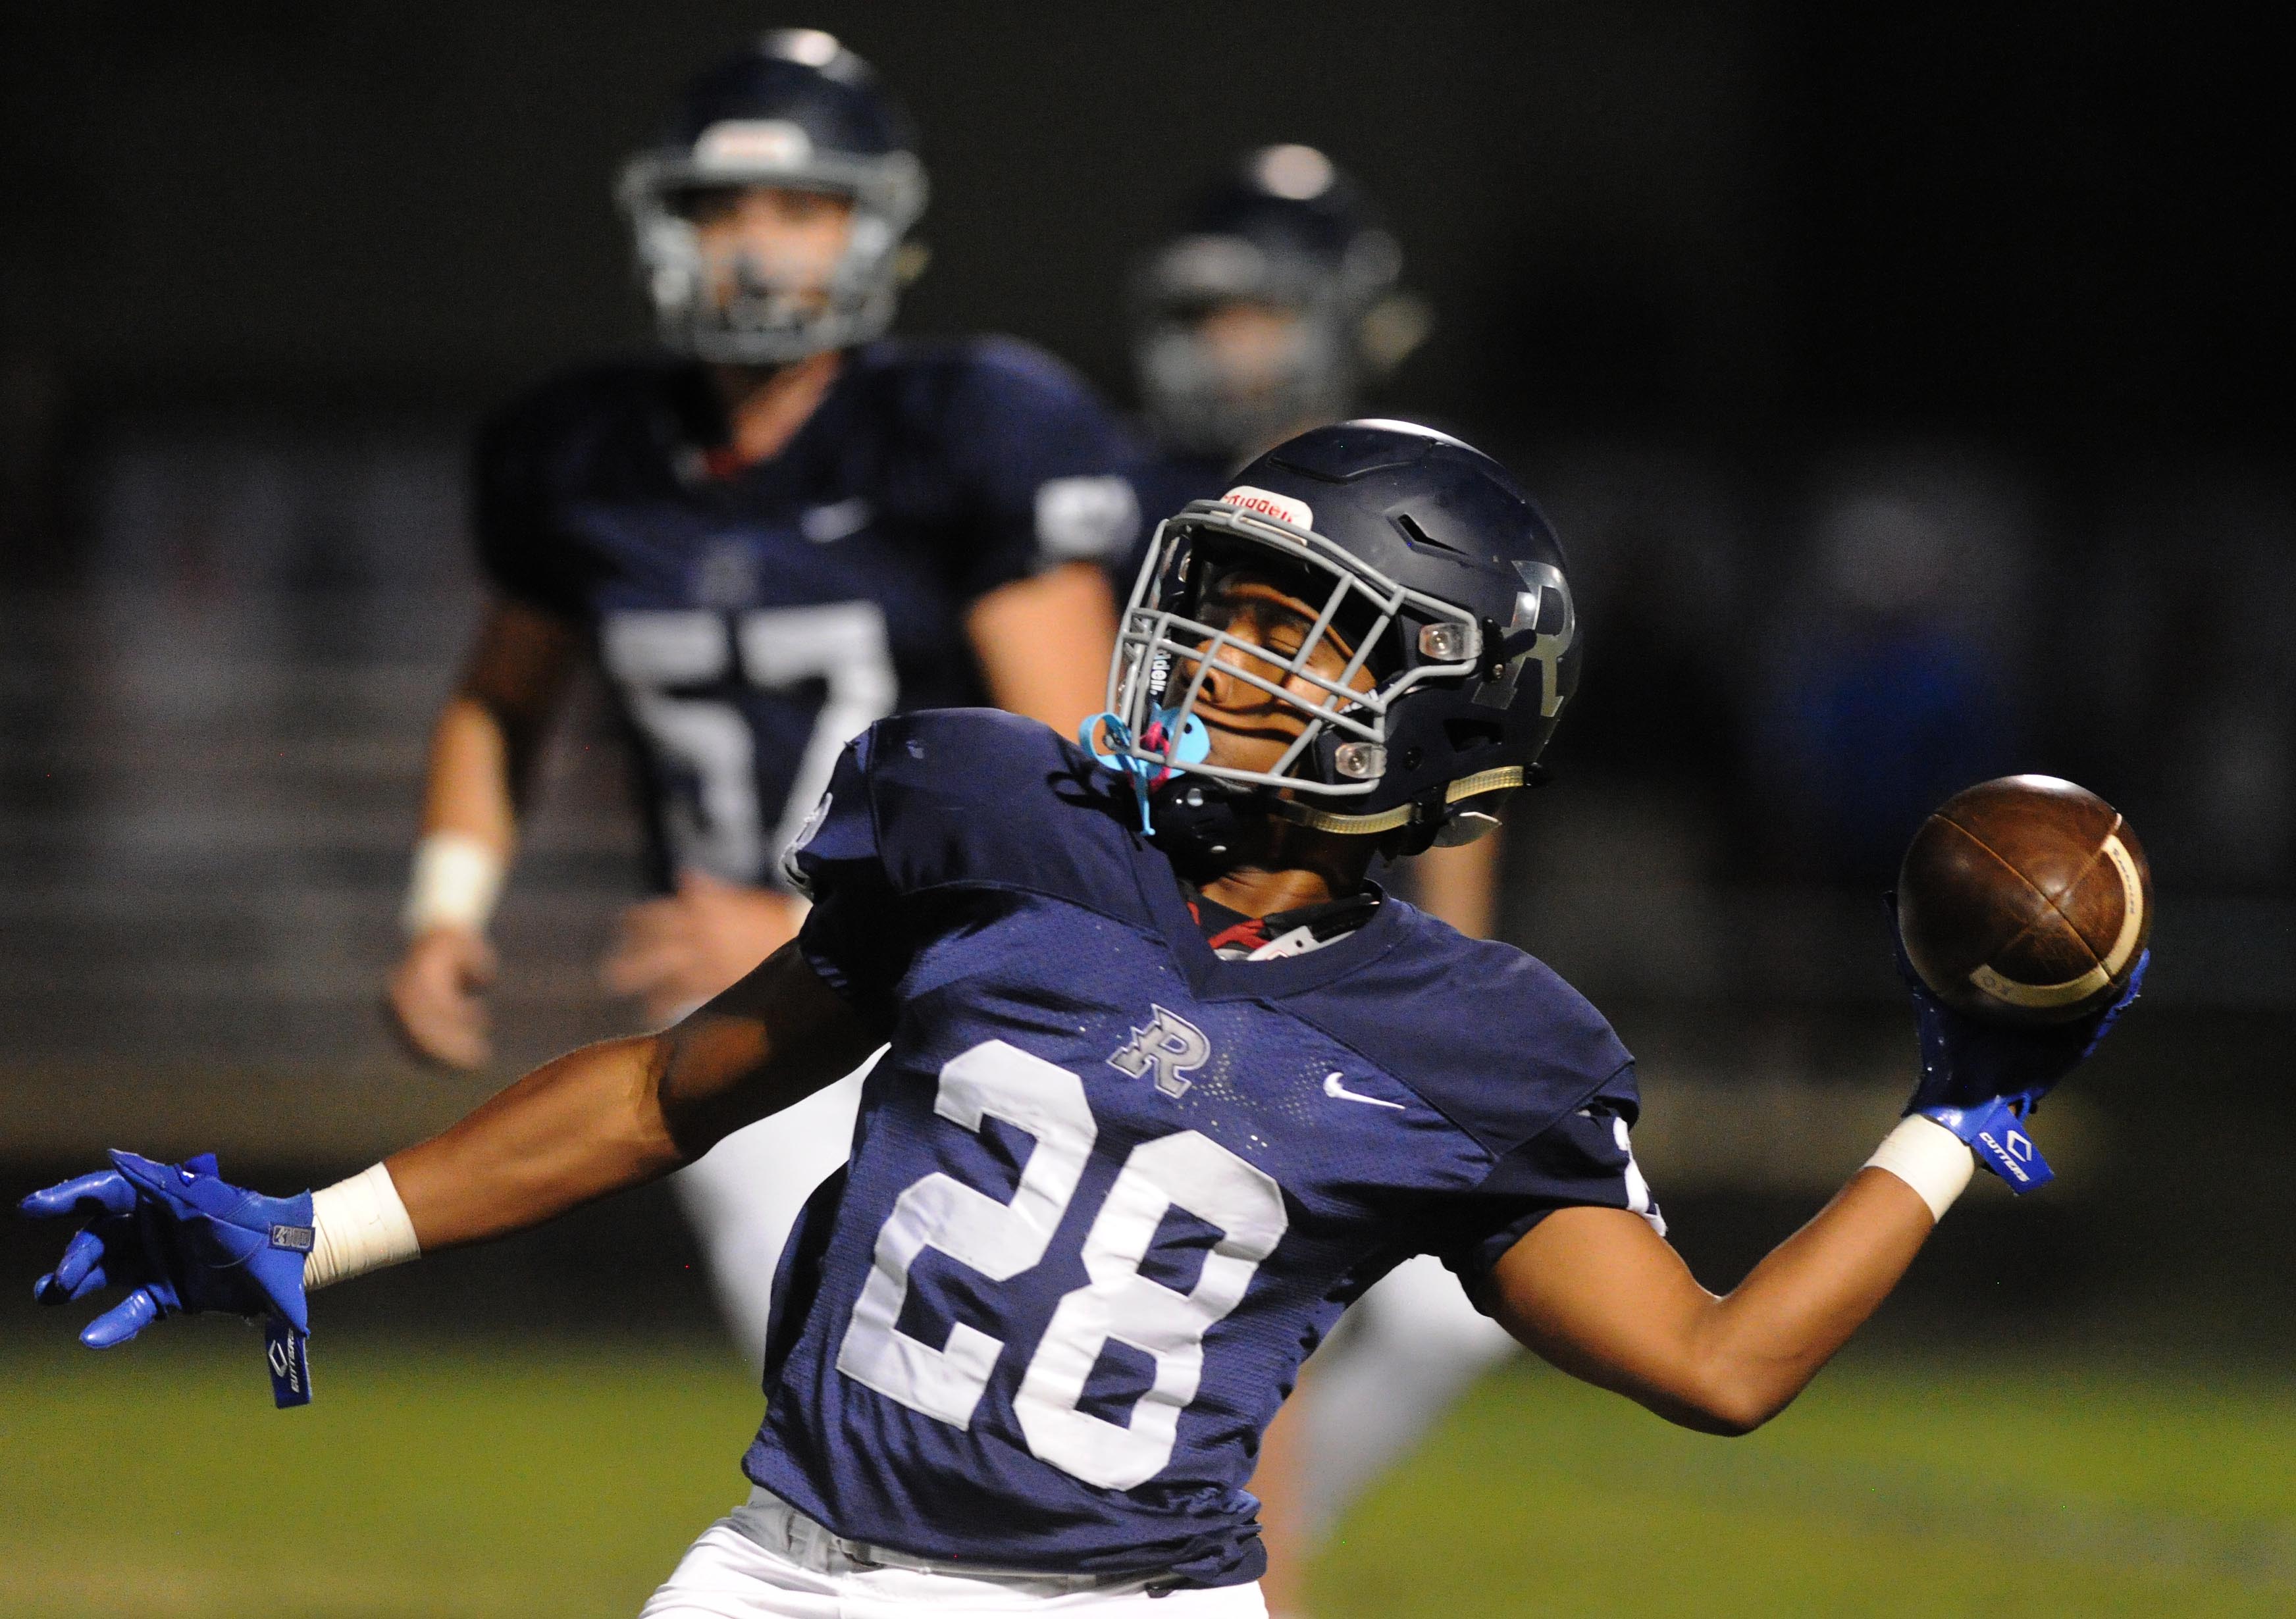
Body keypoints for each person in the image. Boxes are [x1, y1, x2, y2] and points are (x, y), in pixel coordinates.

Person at [28, 423, 2140, 1618]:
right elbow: (682, 1085)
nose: (1218, 650)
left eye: (1299, 628)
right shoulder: (991, 815)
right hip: (782, 1572)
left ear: (1444, 707)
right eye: (1220, 598)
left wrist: (1960, 1113)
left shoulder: (1485, 1040)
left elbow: (1717, 1359)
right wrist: (330, 1228)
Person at [382, 31, 1139, 1364]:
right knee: (866, 1384)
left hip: (971, 983)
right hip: (738, 1009)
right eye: (719, 208)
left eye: (801, 207)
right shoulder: (580, 450)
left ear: (873, 225)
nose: (756, 245)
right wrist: (446, 909)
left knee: (982, 1399)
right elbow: (500, 701)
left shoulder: (974, 425)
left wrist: (808, 913)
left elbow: (1078, 780)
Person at [1124, 148, 1507, 1610]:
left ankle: (1220, 1532)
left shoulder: (1419, 505)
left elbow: (1463, 789)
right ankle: (1223, 1550)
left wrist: (1458, 1000)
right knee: (1254, 1320)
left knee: (1449, 1321)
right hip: (1193, 964)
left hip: (1357, 959)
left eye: (1257, 310)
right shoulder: (1133, 501)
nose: (1230, 344)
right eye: (1208, 311)